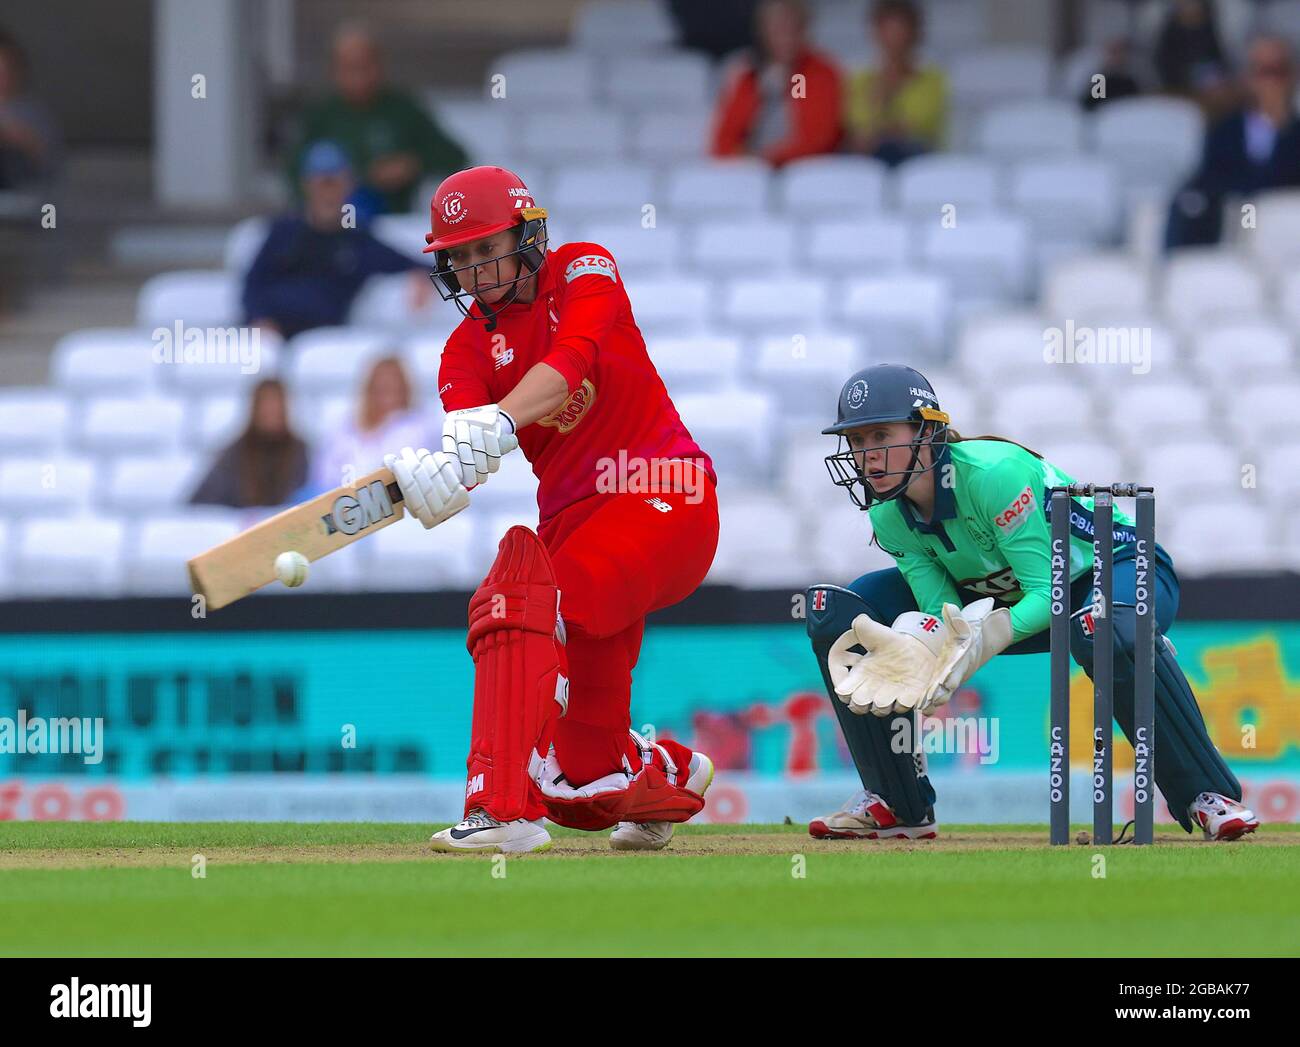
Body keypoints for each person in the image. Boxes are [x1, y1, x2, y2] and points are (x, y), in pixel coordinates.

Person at [383, 166, 720, 854]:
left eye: (487, 249)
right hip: (573, 523)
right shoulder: (462, 349)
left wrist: (498, 420)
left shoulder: (584, 268)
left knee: (528, 599)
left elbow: (575, 356)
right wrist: (440, 475)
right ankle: (664, 771)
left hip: (665, 492)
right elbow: (470, 439)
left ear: (528, 234)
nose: (475, 271)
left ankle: (500, 808)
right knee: (580, 781)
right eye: (460, 257)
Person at [802, 363, 1259, 843]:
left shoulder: (993, 475)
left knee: (1108, 629)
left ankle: (1209, 796)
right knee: (840, 614)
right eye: (856, 442)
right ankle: (897, 804)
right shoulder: (888, 514)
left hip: (1113, 571)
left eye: (880, 435)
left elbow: (1049, 591)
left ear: (926, 431)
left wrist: (976, 642)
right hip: (1005, 599)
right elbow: (941, 612)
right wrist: (928, 655)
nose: (867, 456)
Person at [244, 140, 429, 339]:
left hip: (322, 341)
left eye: (334, 183)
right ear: (307, 186)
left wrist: (421, 274)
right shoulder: (284, 231)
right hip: (271, 335)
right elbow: (253, 284)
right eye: (322, 183)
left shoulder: (357, 238)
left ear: (348, 186)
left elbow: (409, 261)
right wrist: (260, 318)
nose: (328, 193)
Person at [287, 22, 467, 214]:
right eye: (349, 67)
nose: (359, 77)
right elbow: (292, 170)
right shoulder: (321, 114)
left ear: (379, 65)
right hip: (333, 224)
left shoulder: (403, 109)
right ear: (334, 70)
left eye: (365, 66)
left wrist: (412, 164)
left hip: (393, 222)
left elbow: (454, 156)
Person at [1164, 36, 1300, 249]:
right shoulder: (1224, 131)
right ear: (1248, 77)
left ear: (1293, 76)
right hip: (1232, 235)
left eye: (1278, 71)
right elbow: (1207, 180)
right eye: (1262, 72)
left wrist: (1282, 126)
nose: (1270, 82)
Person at [710, 0, 842, 166]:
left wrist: (770, 157)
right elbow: (725, 138)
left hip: (800, 169)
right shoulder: (749, 75)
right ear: (764, 31)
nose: (786, 36)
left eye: (793, 27)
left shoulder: (814, 73)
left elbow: (816, 137)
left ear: (804, 29)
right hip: (751, 170)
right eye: (778, 28)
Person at [308, 355, 431, 496]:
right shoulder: (344, 426)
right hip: (342, 503)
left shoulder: (418, 427)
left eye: (393, 386)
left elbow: (403, 475)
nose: (386, 391)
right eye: (381, 387)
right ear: (370, 388)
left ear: (404, 389)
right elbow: (324, 476)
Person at [843, 0, 946, 165]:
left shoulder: (932, 80)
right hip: (869, 160)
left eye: (901, 30)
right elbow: (857, 125)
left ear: (915, 33)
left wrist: (880, 121)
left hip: (916, 160)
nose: (895, 39)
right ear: (876, 33)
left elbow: (919, 126)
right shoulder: (860, 80)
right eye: (888, 30)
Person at [190, 379, 308, 509]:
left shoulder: (301, 452)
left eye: (276, 405)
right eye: (266, 405)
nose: (271, 411)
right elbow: (201, 504)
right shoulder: (233, 455)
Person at [0, 30, 59, 190]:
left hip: (23, 194)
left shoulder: (33, 112)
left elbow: (46, 157)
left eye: (6, 67)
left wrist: (10, 134)